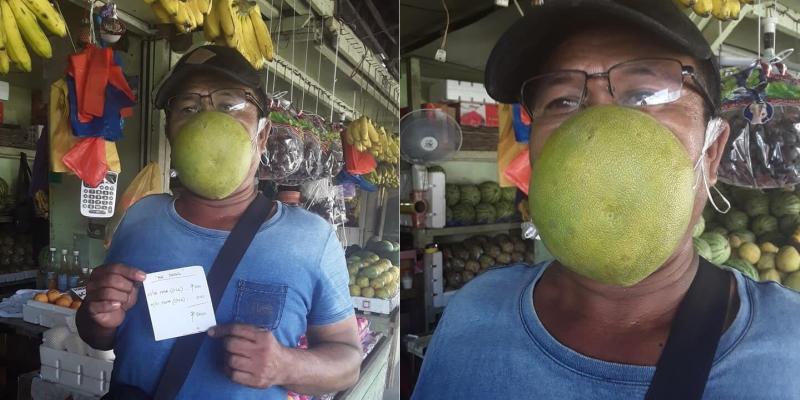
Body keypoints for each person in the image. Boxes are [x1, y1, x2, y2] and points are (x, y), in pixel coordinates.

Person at [412, 1, 800, 399]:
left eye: (645, 94)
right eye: (562, 101)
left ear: (712, 152)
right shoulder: (473, 313)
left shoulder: (789, 349)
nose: (597, 121)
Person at [76, 45, 361, 399]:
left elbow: (348, 361)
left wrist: (286, 365)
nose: (206, 119)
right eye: (188, 108)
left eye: (228, 105)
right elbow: (97, 331)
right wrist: (98, 316)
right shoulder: (140, 217)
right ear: (170, 134)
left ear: (261, 134)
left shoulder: (310, 238)